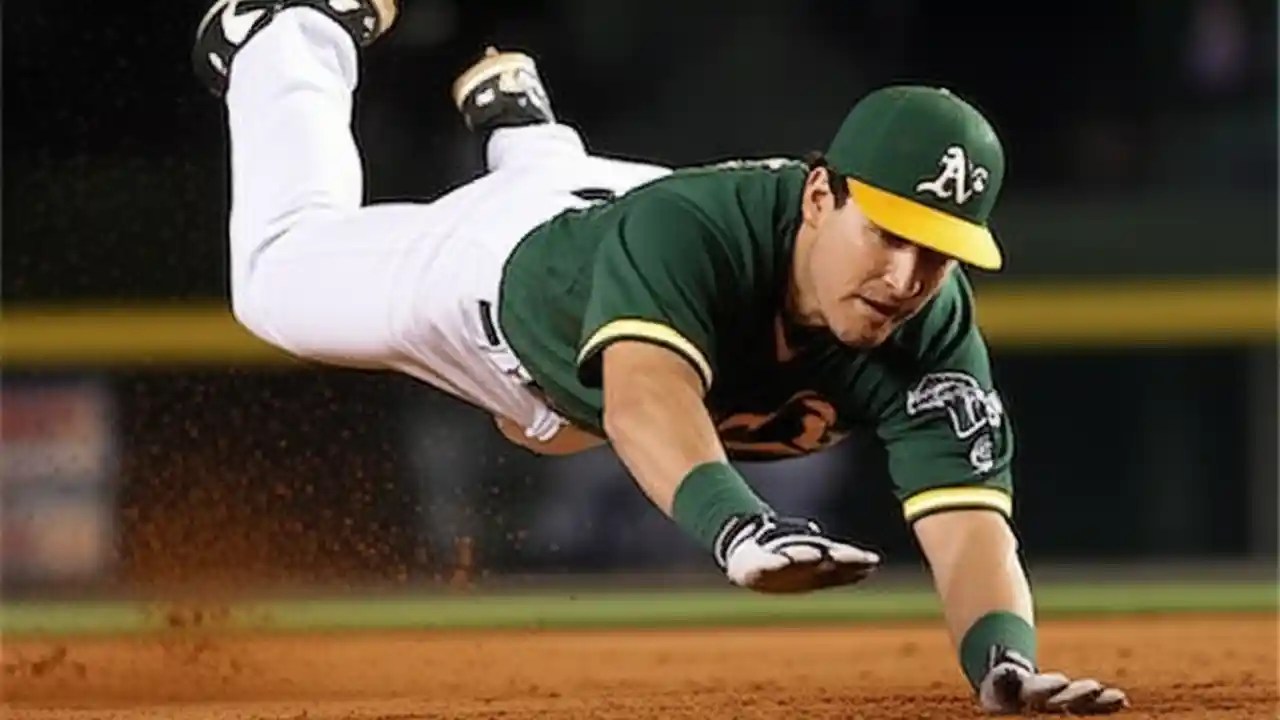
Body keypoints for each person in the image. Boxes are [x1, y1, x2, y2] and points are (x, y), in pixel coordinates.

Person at [193, 0, 1129, 713]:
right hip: (500, 282)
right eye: (888, 233)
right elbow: (642, 397)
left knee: (567, 405)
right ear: (818, 197)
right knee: (276, 280)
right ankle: (291, 31)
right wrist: (741, 527)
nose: (907, 274)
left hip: (609, 221)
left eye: (939, 251)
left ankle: (522, 127)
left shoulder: (927, 319)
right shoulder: (695, 234)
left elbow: (969, 527)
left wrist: (1002, 662)